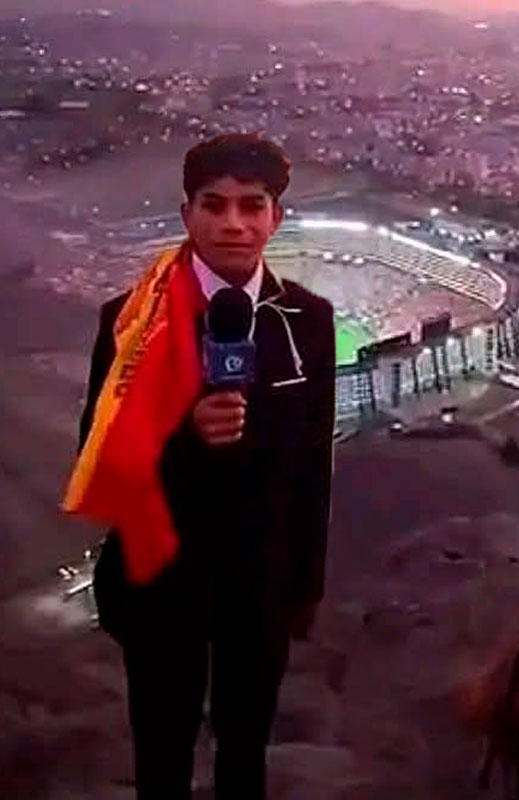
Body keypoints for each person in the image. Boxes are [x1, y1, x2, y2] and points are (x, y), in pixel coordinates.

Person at [66, 133, 336, 798]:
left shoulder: (309, 320)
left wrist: (304, 587)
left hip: (261, 583)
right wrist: (184, 436)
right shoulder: (130, 322)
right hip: (162, 581)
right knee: (163, 757)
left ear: (277, 216)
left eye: (252, 205)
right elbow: (97, 459)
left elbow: (311, 467)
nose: (233, 224)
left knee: (245, 755)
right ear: (187, 214)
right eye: (214, 205)